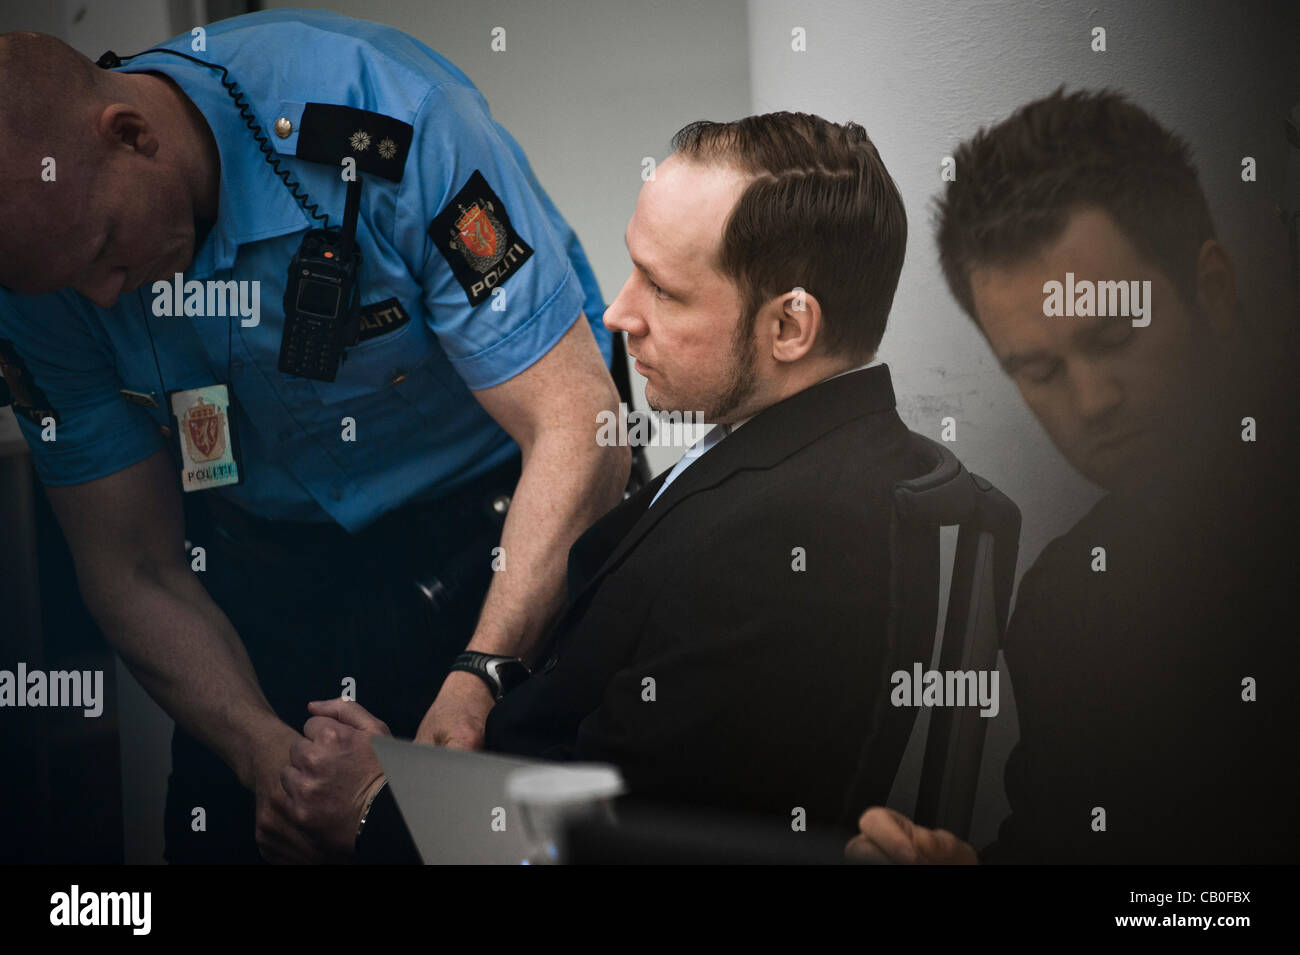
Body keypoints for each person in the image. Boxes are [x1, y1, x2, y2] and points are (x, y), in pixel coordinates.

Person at [0, 9, 629, 864]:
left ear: (133, 135)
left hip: (500, 538)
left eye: (106, 248)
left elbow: (578, 425)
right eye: (68, 282)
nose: (104, 297)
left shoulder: (395, 120)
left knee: (504, 844)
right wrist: (265, 757)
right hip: (259, 577)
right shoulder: (40, 275)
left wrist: (483, 671)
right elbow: (132, 563)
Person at [291, 110, 933, 860]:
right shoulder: (800, 461)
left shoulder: (792, 540)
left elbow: (620, 836)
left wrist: (375, 808)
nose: (619, 312)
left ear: (790, 327)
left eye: (662, 289)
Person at [848, 88, 1300, 864]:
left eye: (1114, 336)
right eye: (1039, 369)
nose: (1092, 402)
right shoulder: (1067, 603)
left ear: (1214, 290)